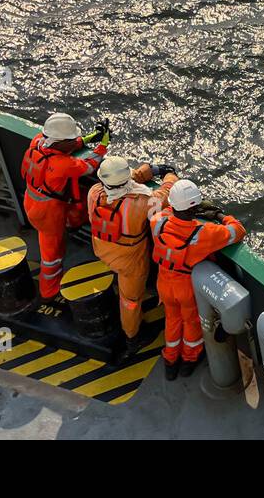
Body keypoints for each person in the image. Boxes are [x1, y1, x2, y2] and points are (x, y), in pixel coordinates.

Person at [149, 179, 245, 380]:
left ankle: (170, 360)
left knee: (172, 320)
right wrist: (219, 215)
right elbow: (238, 231)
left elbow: (164, 214)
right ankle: (189, 360)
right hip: (186, 287)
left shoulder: (158, 222)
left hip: (164, 283)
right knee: (191, 322)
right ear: (195, 207)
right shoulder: (204, 233)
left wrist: (186, 209)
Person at [87, 155, 178, 353]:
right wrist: (169, 175)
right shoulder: (142, 202)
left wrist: (146, 171)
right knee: (130, 301)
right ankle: (132, 336)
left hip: (103, 249)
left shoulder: (94, 193)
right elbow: (163, 196)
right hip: (130, 262)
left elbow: (122, 186)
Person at [21, 112, 108, 303]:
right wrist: (103, 145)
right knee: (52, 255)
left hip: (31, 201)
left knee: (52, 243)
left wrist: (90, 138)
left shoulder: (37, 142)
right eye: (70, 139)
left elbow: (66, 146)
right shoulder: (62, 165)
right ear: (59, 141)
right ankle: (49, 292)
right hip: (48, 215)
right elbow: (89, 165)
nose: (73, 141)